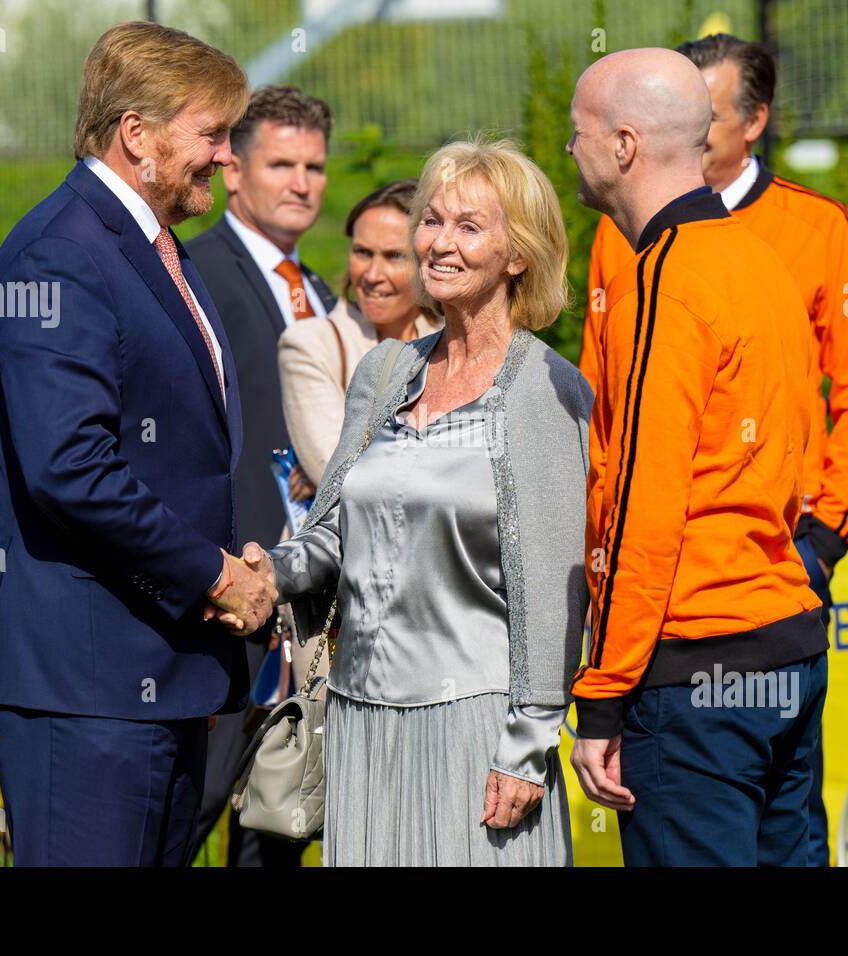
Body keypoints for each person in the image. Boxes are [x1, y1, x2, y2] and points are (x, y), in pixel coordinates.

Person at [0, 22, 274, 866]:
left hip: (161, 673)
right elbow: (72, 468)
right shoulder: (59, 252)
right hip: (87, 686)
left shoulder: (150, 244)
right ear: (138, 133)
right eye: (211, 133)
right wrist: (211, 574)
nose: (224, 156)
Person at [576, 34, 848, 865]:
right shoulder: (753, 257)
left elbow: (645, 497)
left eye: (577, 131)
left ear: (623, 145)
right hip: (785, 645)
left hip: (695, 665)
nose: (568, 150)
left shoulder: (669, 275)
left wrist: (602, 695)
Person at [225, 137, 590, 866]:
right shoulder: (385, 371)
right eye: (432, 221)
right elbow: (337, 528)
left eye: (467, 227)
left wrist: (527, 744)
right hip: (361, 719)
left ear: (517, 255)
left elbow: (556, 589)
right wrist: (274, 572)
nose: (438, 244)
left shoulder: (545, 390)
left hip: (478, 731)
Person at [186, 86, 338, 867]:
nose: (302, 181)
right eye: (281, 162)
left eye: (314, 165)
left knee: (279, 818)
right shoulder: (194, 271)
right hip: (225, 590)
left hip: (304, 597)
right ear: (235, 171)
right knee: (191, 809)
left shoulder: (326, 294)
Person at [278, 179, 441, 489]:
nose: (372, 275)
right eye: (363, 253)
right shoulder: (309, 344)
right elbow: (339, 479)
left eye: (394, 256)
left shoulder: (452, 341)